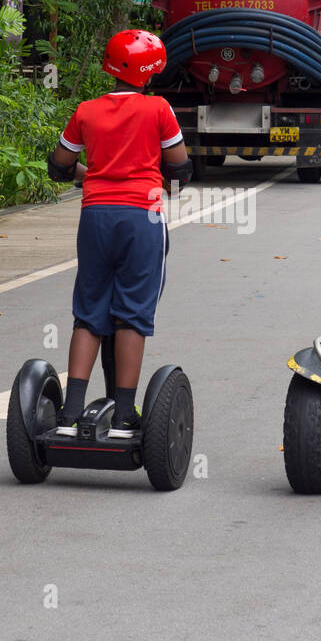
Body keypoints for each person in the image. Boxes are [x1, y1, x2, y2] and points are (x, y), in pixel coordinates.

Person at [46, 29, 193, 435]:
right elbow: (180, 169)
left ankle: (70, 413)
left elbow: (58, 166)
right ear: (147, 74)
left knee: (89, 313)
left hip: (95, 217)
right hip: (141, 219)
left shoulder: (86, 111)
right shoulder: (158, 109)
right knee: (132, 316)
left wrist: (93, 175)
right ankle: (125, 414)